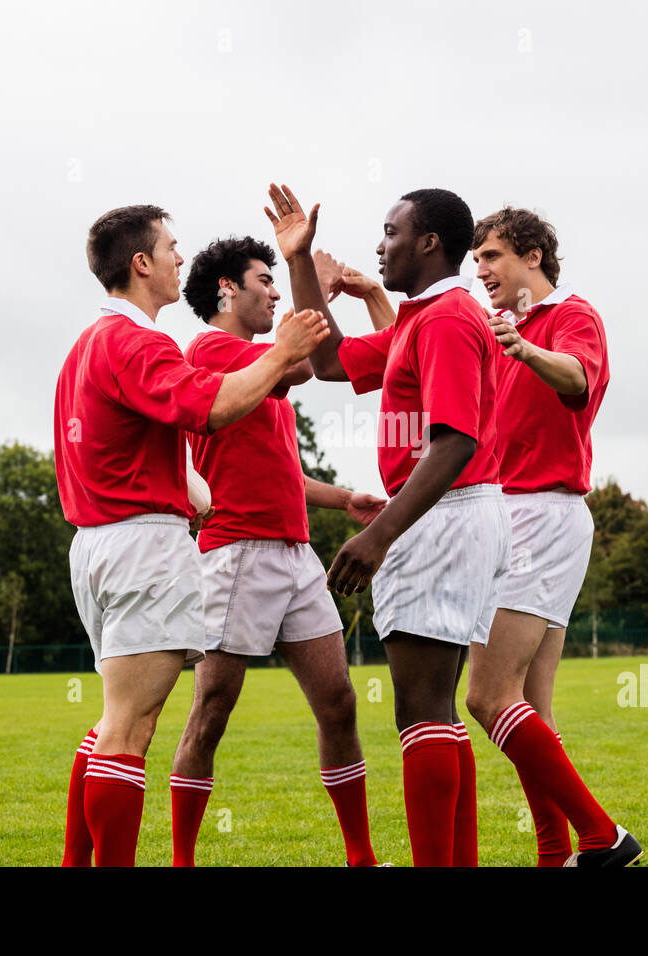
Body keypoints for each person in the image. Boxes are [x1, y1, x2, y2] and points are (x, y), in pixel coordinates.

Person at [54, 204, 328, 866]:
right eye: (171, 248)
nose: (182, 258)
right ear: (141, 263)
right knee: (131, 728)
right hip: (141, 547)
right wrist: (283, 352)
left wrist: (190, 491)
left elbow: (146, 445)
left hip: (99, 545)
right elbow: (211, 409)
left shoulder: (85, 346)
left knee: (111, 723)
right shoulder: (138, 341)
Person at [266, 182, 509, 867]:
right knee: (437, 708)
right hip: (455, 517)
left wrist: (378, 535)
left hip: (445, 516)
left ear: (430, 243)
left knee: (421, 712)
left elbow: (456, 440)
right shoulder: (417, 320)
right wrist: (299, 259)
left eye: (391, 231)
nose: (380, 245)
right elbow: (330, 360)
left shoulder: (448, 321)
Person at [168, 234, 388, 867]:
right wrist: (305, 274)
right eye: (262, 279)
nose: (271, 291)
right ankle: (183, 861)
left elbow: (281, 465)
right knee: (211, 712)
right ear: (226, 290)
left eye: (275, 279)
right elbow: (302, 359)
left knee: (339, 703)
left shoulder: (258, 364)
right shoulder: (210, 349)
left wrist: (343, 497)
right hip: (236, 552)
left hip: (293, 555)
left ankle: (361, 859)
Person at [465, 206, 642, 867]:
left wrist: (527, 348)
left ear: (532, 256)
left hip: (542, 513)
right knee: (528, 705)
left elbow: (578, 381)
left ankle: (601, 836)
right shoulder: (497, 329)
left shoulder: (572, 316)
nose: (480, 270)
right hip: (512, 516)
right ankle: (553, 853)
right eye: (477, 259)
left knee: (485, 697)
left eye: (491, 256)